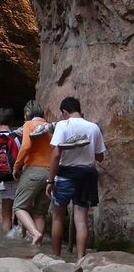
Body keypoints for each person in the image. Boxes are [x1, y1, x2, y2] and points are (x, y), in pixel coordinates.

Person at [46, 96, 106, 260]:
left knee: (58, 217)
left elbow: (56, 155)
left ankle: (57, 257)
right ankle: (81, 259)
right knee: (81, 220)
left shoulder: (63, 126)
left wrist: (50, 180)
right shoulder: (93, 128)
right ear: (79, 110)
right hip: (87, 175)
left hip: (65, 174)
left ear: (64, 112)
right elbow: (100, 157)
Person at [12, 100, 53, 245]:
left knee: (19, 206)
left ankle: (35, 233)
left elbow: (26, 146)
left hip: (34, 170)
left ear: (27, 114)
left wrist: (17, 166)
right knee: (40, 212)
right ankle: (37, 246)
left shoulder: (29, 125)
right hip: (51, 173)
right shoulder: (49, 127)